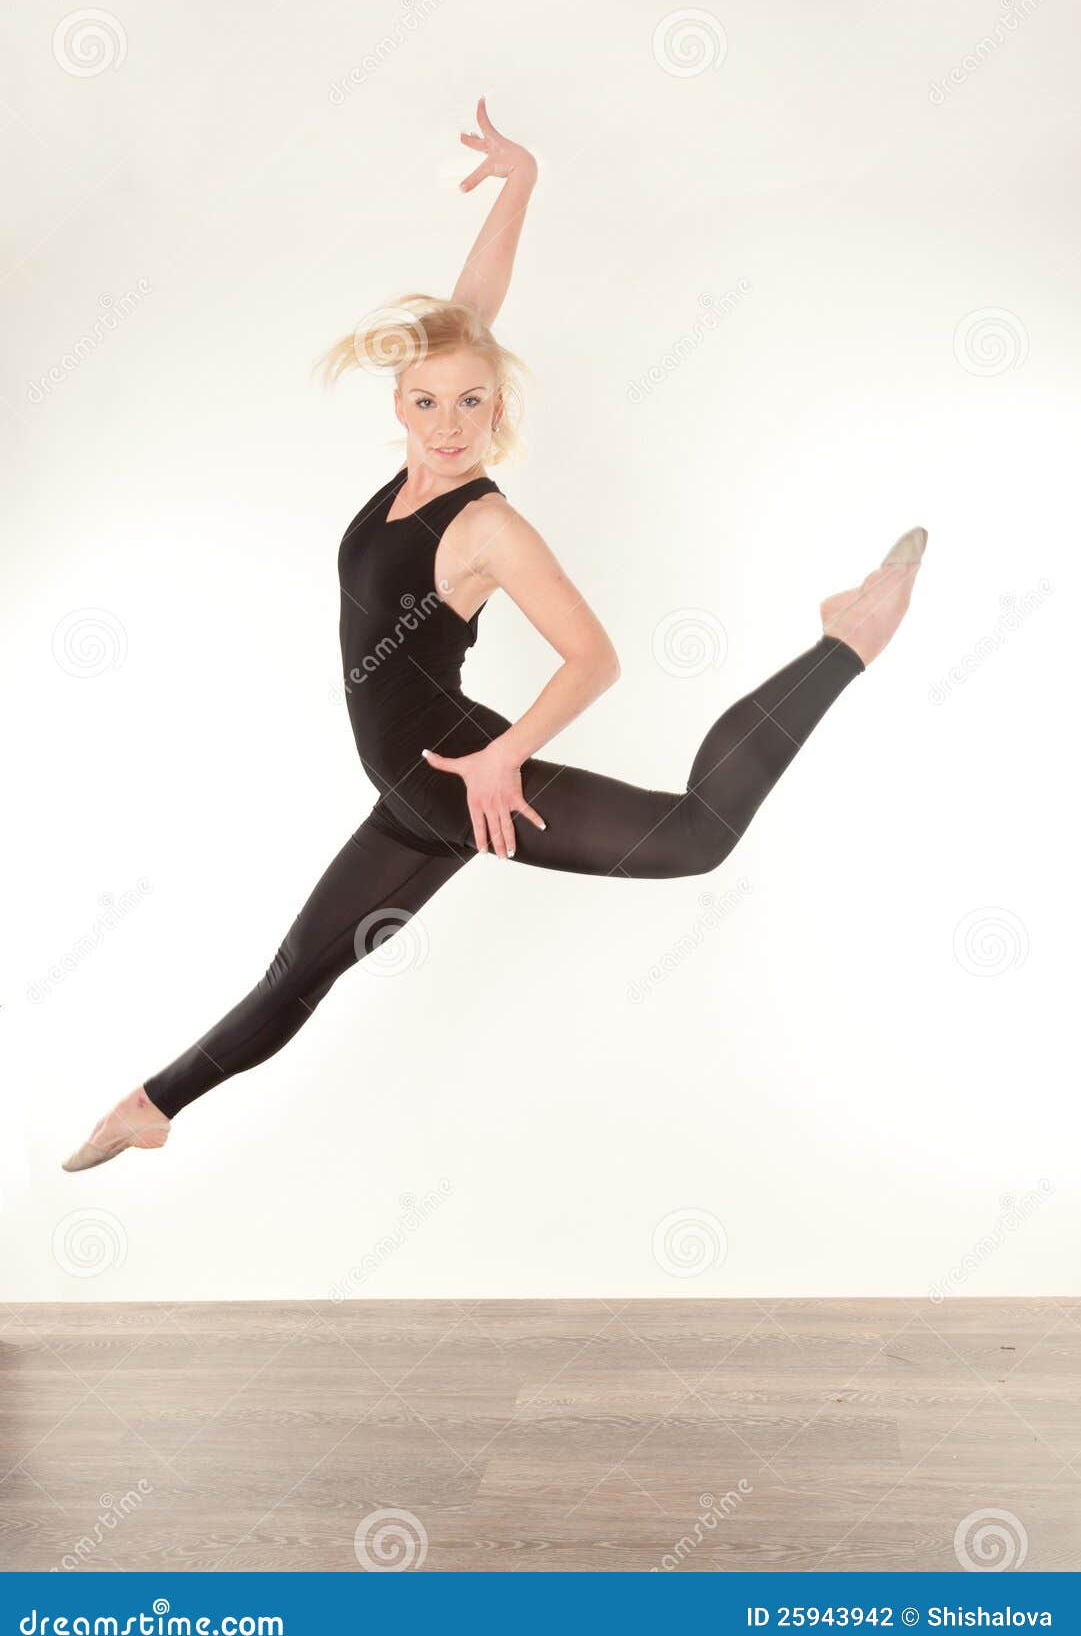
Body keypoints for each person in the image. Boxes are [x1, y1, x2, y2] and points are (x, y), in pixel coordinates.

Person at [62, 99, 926, 1172]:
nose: (450, 423)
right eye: (428, 402)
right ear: (401, 397)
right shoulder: (414, 466)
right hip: (413, 780)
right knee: (300, 969)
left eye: (472, 402)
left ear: (494, 401)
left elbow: (596, 657)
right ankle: (153, 1102)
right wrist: (522, 181)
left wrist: (505, 753)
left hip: (457, 772)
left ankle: (842, 641)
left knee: (697, 835)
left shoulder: (487, 525)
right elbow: (472, 305)